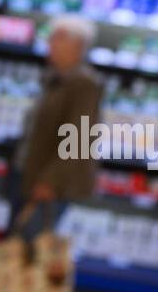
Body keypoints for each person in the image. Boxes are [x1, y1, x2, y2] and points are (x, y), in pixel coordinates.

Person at [11, 15, 103, 240]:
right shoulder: (55, 79)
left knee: (30, 246)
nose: (50, 43)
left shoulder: (84, 84)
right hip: (32, 177)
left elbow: (79, 139)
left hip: (51, 185)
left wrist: (50, 182)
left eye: (58, 38)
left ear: (78, 46)